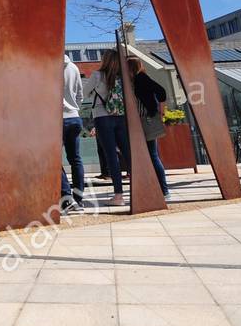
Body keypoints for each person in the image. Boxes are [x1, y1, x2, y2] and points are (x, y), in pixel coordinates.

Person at [85, 50, 128, 207]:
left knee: (111, 156)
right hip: (121, 117)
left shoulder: (97, 75)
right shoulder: (123, 76)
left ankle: (118, 196)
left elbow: (85, 93)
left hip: (102, 117)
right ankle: (142, 188)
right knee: (127, 154)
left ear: (105, 60)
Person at [129, 57, 171, 199]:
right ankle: (158, 189)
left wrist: (161, 111)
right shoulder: (136, 79)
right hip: (143, 119)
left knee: (152, 155)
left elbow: (161, 91)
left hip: (145, 119)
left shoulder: (141, 78)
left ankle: (164, 190)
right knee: (150, 155)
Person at [61, 53, 86, 212]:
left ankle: (67, 199)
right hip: (74, 118)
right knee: (75, 159)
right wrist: (73, 108)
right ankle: (79, 198)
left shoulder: (49, 66)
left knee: (55, 161)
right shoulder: (73, 67)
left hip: (56, 119)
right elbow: (80, 95)